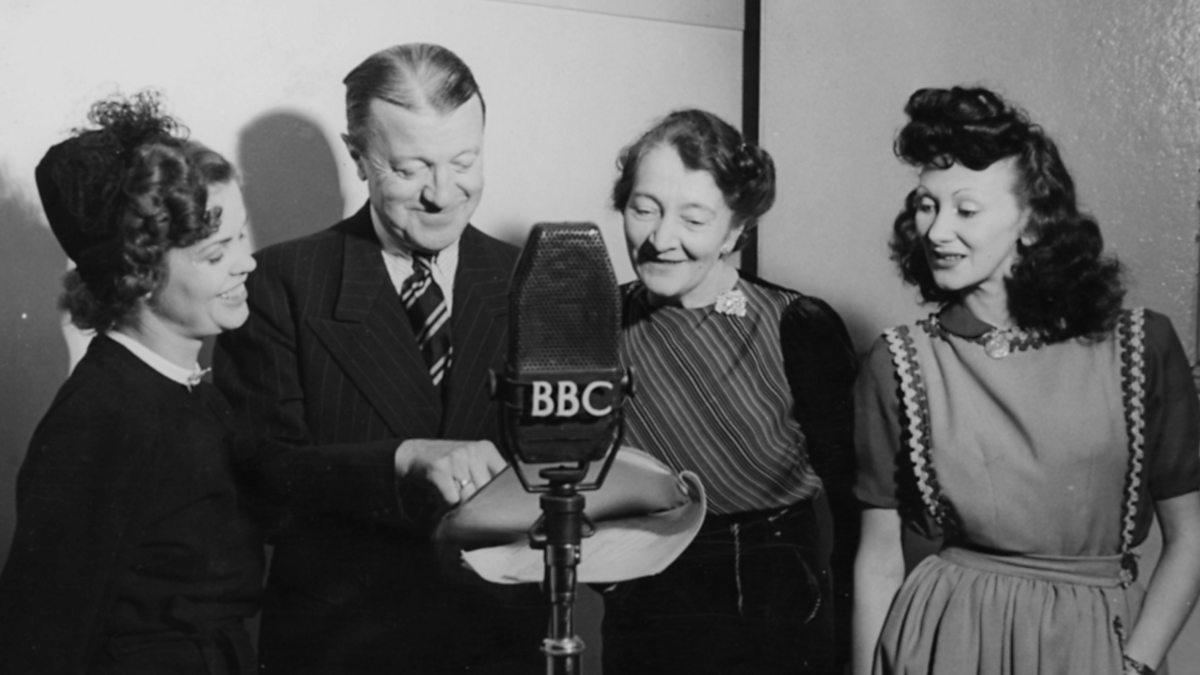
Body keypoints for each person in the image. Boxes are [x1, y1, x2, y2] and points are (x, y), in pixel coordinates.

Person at [213, 43, 543, 673]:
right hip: (342, 644)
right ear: (358, 157)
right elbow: (257, 473)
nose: (442, 194)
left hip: (498, 644)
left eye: (464, 161)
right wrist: (401, 460)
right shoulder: (282, 283)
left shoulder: (528, 280)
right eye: (411, 168)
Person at [852, 85, 1200, 675]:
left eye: (965, 209)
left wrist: (1136, 663)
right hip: (946, 640)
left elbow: (1192, 536)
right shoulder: (898, 362)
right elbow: (881, 558)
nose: (936, 232)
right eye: (926, 205)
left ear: (1033, 221)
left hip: (1096, 645)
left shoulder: (1142, 346)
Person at [0, 93, 262, 673]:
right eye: (218, 252)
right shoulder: (101, 415)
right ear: (138, 275)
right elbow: (40, 633)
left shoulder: (186, 388)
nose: (248, 262)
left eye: (243, 237)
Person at [600, 108, 858, 674]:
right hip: (644, 590)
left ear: (735, 230)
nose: (661, 239)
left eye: (694, 219)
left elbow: (854, 504)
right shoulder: (595, 319)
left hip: (774, 591)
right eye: (644, 209)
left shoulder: (797, 323)